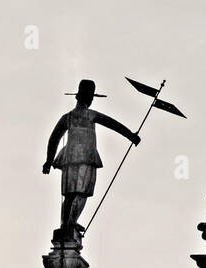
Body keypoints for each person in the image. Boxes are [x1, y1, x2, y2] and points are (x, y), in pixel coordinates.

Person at [43, 79, 140, 239]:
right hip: (86, 157)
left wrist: (48, 161)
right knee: (82, 192)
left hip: (70, 157)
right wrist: (131, 136)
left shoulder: (67, 117)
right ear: (89, 98)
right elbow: (113, 124)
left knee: (69, 194)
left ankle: (66, 225)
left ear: (77, 97)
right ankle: (70, 224)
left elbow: (53, 139)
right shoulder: (90, 115)